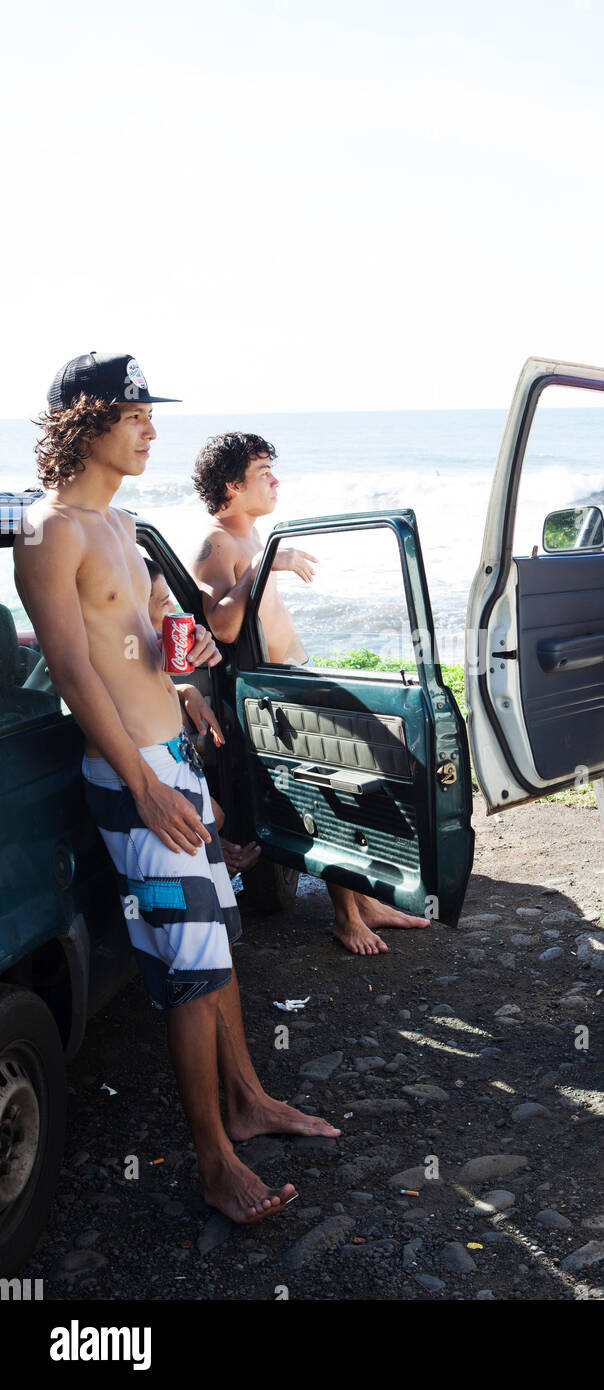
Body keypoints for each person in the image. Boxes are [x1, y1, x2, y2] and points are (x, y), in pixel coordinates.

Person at [14, 353, 339, 1226]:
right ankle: (213, 1159)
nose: (152, 428)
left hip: (171, 759)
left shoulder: (119, 524)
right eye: (137, 413)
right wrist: (142, 784)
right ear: (87, 419)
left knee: (216, 946)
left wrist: (185, 678)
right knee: (192, 970)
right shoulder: (51, 533)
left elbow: (150, 635)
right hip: (132, 777)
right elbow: (74, 669)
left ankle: (248, 1098)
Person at [190, 431, 431, 955]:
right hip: (269, 695)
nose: (275, 481)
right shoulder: (218, 544)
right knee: (328, 788)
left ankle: (363, 902)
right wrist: (263, 563)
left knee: (355, 774)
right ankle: (345, 917)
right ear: (232, 485)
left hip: (292, 678)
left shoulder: (251, 536)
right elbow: (221, 626)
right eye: (262, 473)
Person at [144, 557, 260, 876]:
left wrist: (186, 691)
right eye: (165, 600)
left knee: (215, 816)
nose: (173, 609)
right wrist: (210, 849)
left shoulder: (142, 655)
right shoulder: (111, 665)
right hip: (150, 786)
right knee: (215, 817)